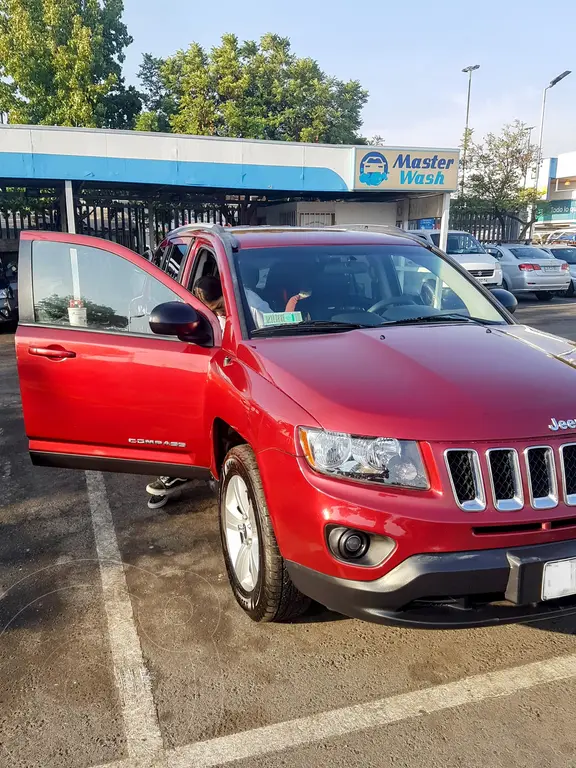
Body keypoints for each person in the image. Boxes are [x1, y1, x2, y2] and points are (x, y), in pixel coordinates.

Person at [146, 275, 226, 509]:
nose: (219, 312)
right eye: (214, 309)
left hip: (229, 369)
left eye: (220, 307)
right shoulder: (190, 311)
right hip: (198, 368)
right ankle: (177, 469)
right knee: (182, 415)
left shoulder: (248, 304)